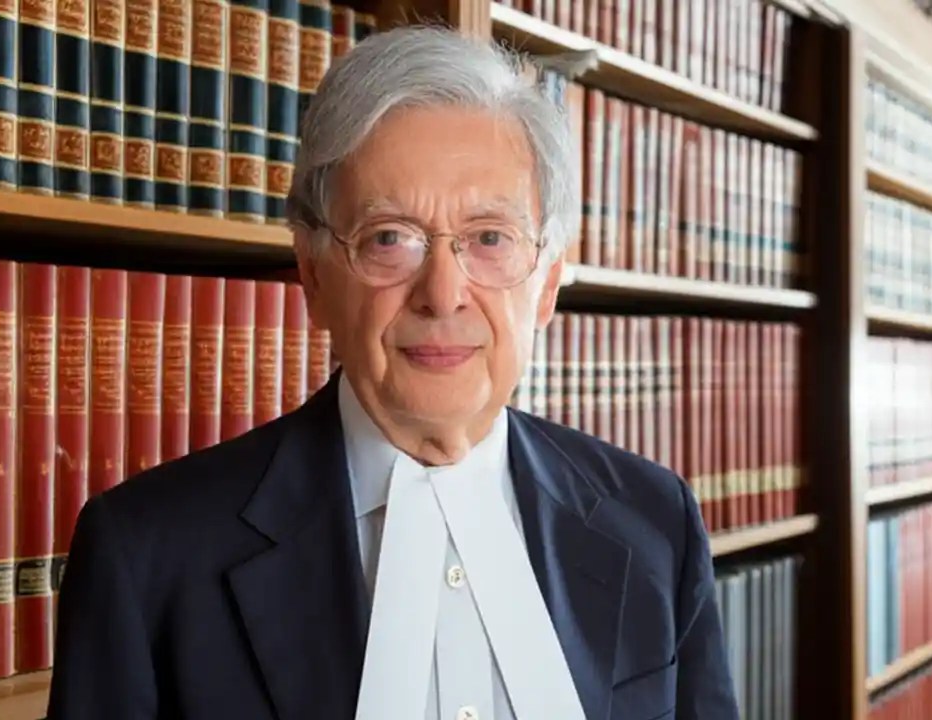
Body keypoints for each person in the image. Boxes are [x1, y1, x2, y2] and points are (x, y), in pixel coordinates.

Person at [47, 25, 739, 720]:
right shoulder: (144, 553)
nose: (442, 293)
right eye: (390, 239)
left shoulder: (655, 522)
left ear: (549, 282)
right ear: (314, 276)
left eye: (489, 238)